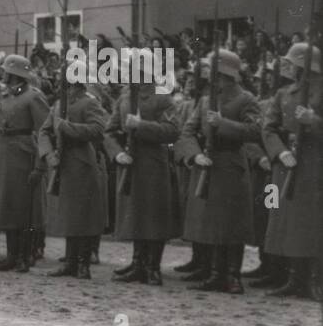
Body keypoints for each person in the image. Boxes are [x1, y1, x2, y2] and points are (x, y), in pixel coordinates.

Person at [175, 50, 261, 294]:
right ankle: (215, 273)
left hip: (232, 164)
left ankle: (233, 275)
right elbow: (187, 132)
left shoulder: (246, 99)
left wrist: (223, 124)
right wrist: (195, 154)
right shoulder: (204, 100)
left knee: (233, 224)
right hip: (208, 165)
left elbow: (256, 131)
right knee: (212, 223)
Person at [103, 72, 182, 285]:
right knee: (136, 215)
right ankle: (138, 263)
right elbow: (109, 131)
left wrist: (141, 125)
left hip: (153, 163)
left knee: (154, 218)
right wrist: (117, 153)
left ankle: (153, 267)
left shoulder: (162, 96)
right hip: (130, 163)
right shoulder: (125, 95)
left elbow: (173, 131)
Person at [260, 41, 322, 298]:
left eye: (291, 63)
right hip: (286, 164)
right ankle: (293, 278)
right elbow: (268, 127)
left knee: (311, 225)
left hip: (314, 165)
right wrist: (280, 151)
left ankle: (313, 282)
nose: (288, 67)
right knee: (287, 224)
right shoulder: (283, 94)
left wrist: (315, 121)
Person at [38, 67, 109, 279]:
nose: (67, 88)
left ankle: (83, 263)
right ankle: (70, 262)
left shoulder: (90, 102)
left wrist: (68, 127)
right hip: (64, 165)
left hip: (83, 163)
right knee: (70, 215)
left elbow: (98, 130)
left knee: (83, 216)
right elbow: (44, 131)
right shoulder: (59, 104)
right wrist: (49, 155)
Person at [0, 54, 49, 272]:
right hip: (2, 153)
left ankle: (25, 255)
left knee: (23, 210)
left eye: (5, 70)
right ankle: (11, 255)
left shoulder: (33, 97)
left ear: (13, 74)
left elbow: (44, 131)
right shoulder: (1, 96)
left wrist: (40, 165)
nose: (2, 73)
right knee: (6, 207)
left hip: (23, 154)